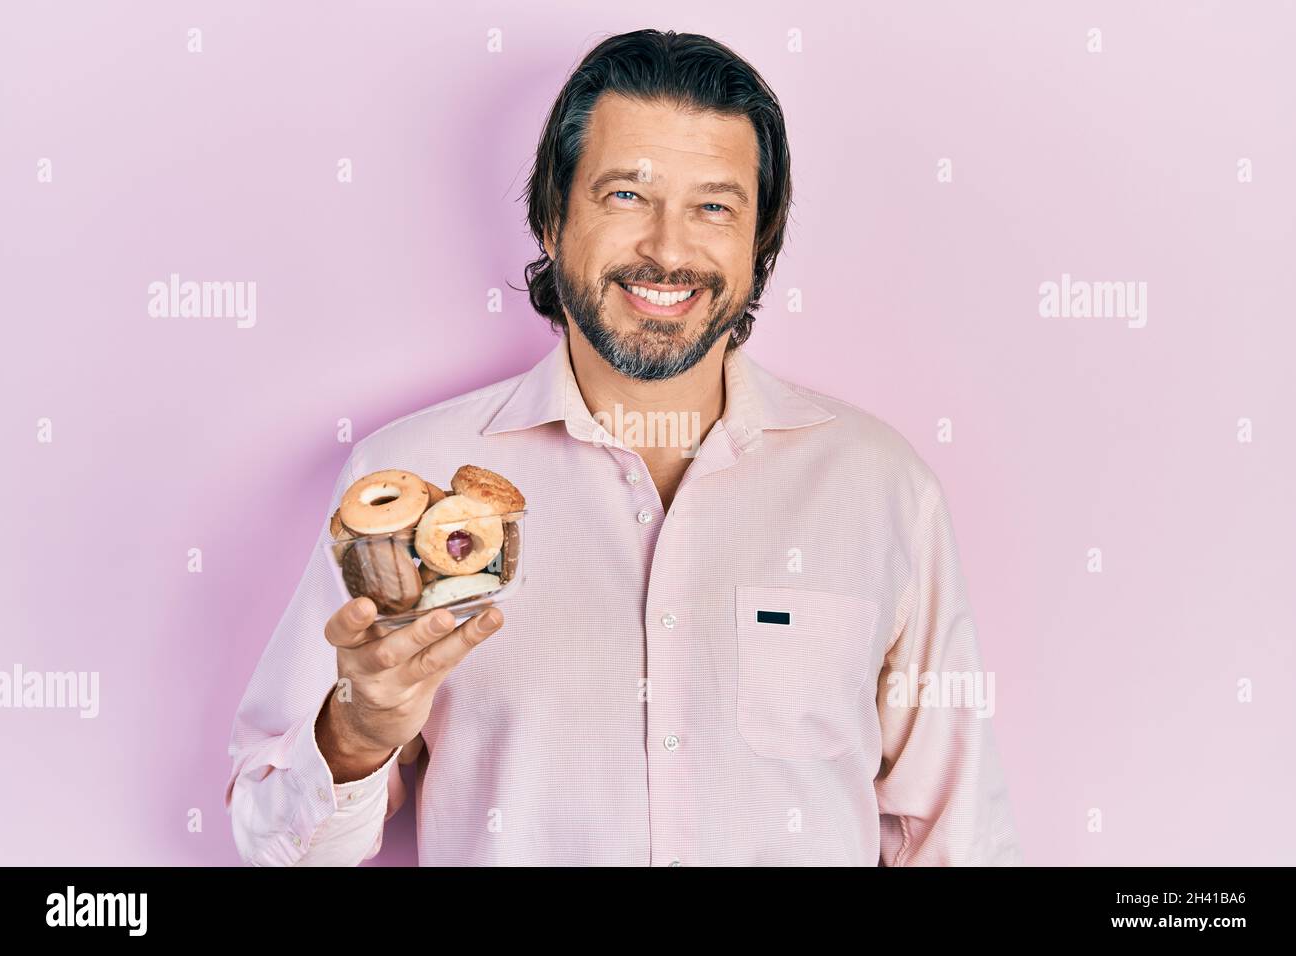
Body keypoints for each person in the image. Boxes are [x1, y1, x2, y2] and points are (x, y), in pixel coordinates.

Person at [225, 28, 1022, 866]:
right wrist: (355, 733)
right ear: (550, 215)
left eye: (715, 206)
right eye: (626, 197)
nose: (669, 250)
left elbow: (958, 837)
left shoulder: (882, 490)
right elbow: (278, 846)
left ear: (760, 241)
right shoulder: (405, 484)